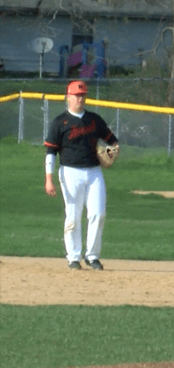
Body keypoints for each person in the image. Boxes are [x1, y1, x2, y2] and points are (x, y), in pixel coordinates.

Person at [44, 80, 119, 271]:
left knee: (98, 214)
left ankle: (92, 256)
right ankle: (73, 257)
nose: (80, 98)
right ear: (68, 97)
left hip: (94, 172)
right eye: (76, 95)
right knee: (73, 216)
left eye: (82, 95)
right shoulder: (60, 122)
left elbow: (112, 141)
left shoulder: (94, 120)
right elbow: (51, 153)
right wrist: (49, 179)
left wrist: (112, 152)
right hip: (70, 172)